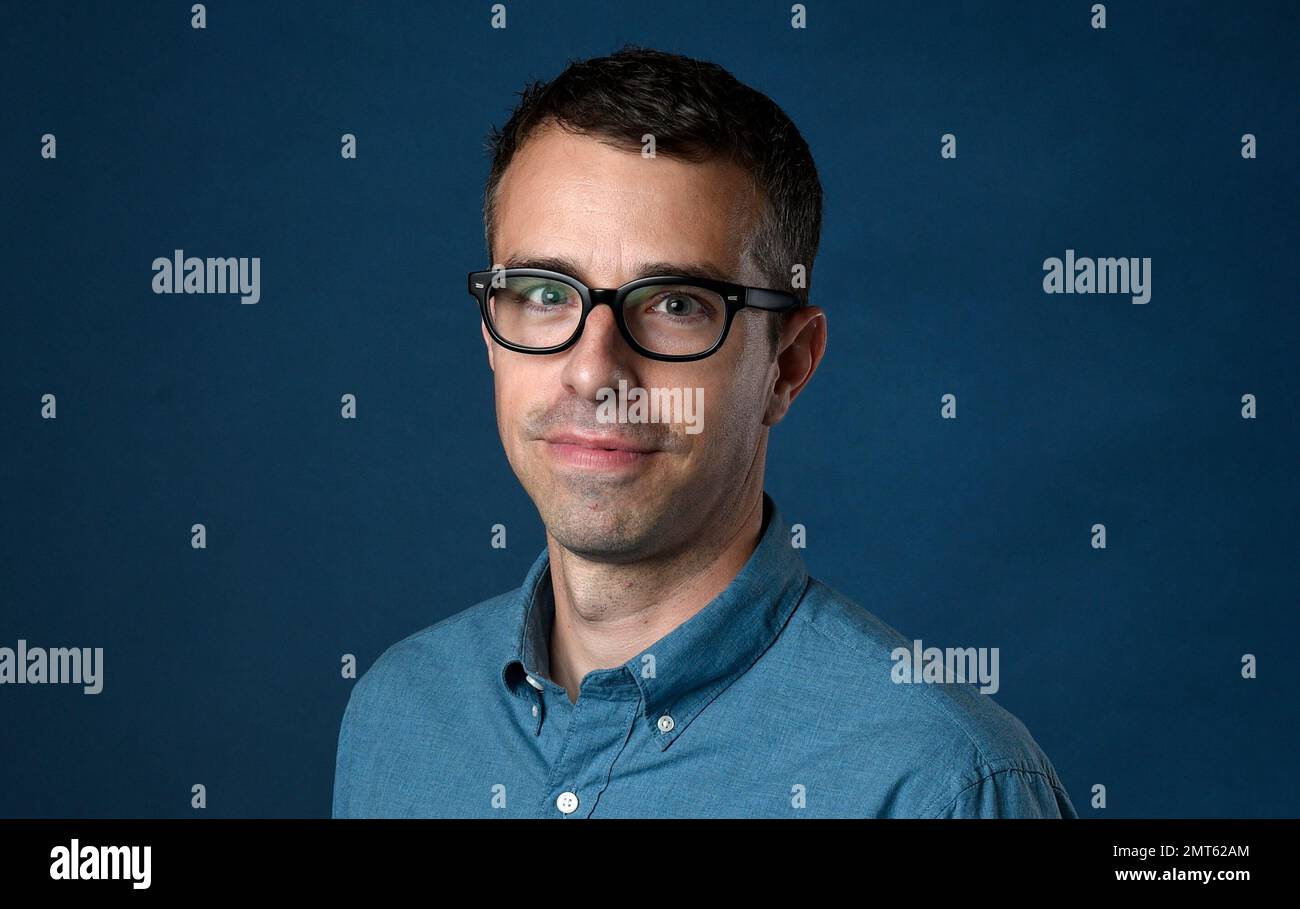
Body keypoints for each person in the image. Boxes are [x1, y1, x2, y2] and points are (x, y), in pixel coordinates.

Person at [332, 45, 1076, 819]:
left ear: (787, 365)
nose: (593, 372)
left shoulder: (941, 784)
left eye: (677, 304)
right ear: (490, 333)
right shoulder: (396, 717)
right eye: (546, 293)